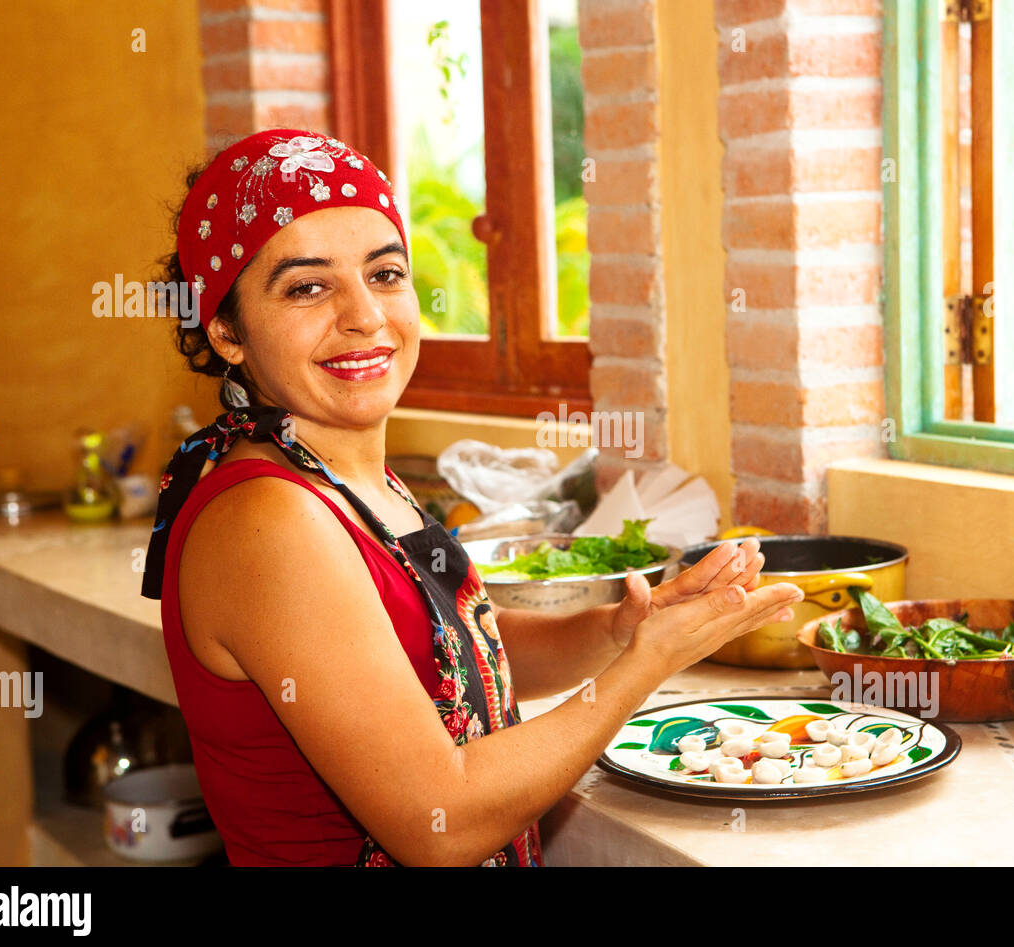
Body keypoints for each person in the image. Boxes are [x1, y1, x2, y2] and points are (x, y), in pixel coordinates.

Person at [140, 129, 804, 867]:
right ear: (227, 329)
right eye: (307, 286)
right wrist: (641, 669)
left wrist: (618, 630)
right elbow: (440, 823)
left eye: (385, 274)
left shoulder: (343, 478)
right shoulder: (270, 519)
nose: (366, 316)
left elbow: (438, 658)